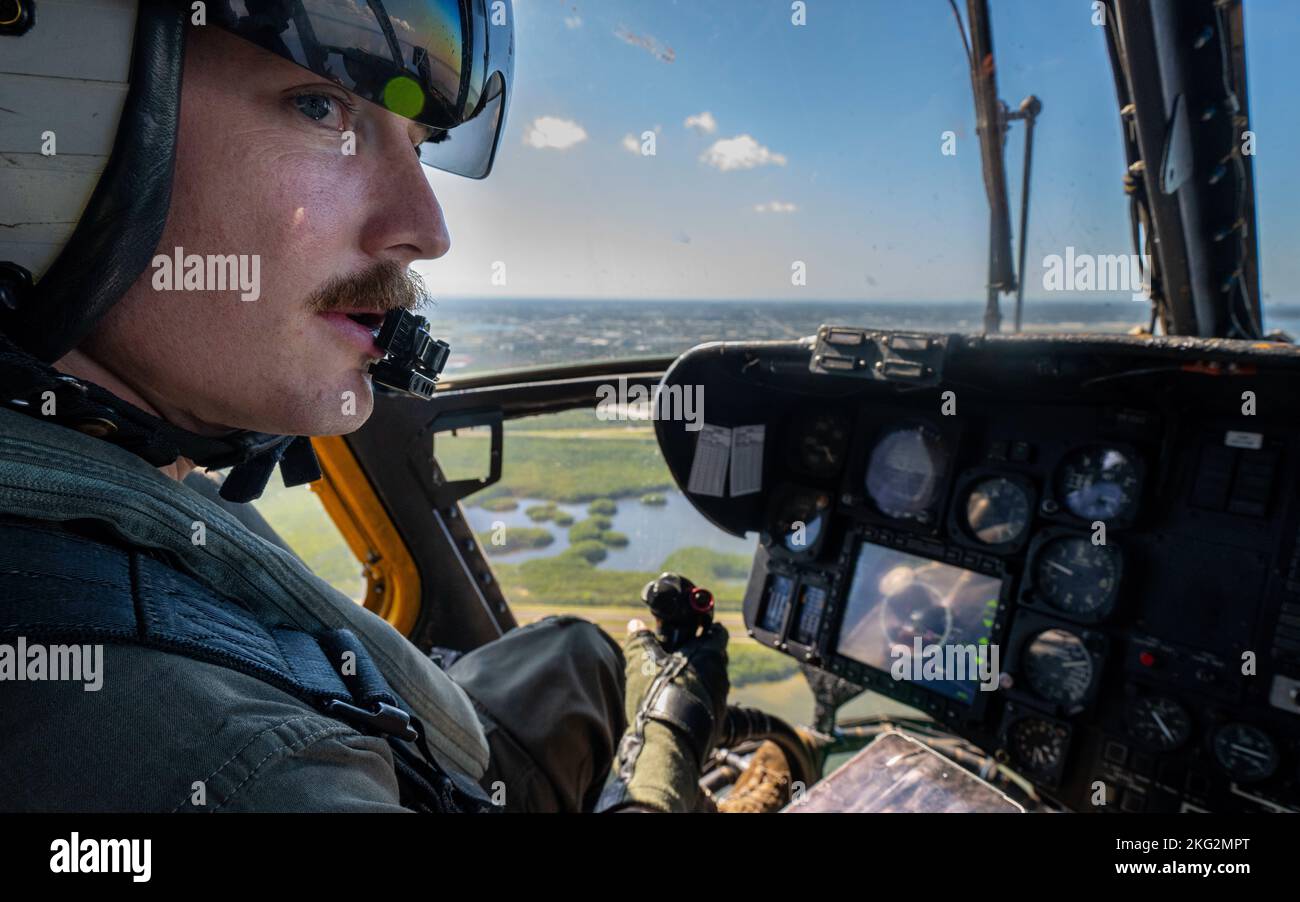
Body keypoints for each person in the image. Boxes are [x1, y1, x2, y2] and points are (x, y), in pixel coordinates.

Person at [0, 0, 728, 813]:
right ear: (61, 120)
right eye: (322, 108)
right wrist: (667, 738)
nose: (427, 228)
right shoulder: (256, 779)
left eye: (417, 147)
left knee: (579, 656)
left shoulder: (120, 493)